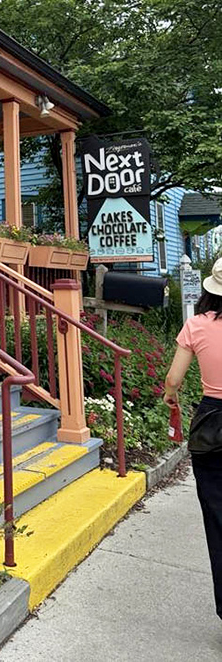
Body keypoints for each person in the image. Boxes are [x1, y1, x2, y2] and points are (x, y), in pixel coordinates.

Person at [164, 256, 222, 620]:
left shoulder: (197, 325)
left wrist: (170, 397)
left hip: (213, 423)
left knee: (218, 521)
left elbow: (173, 380)